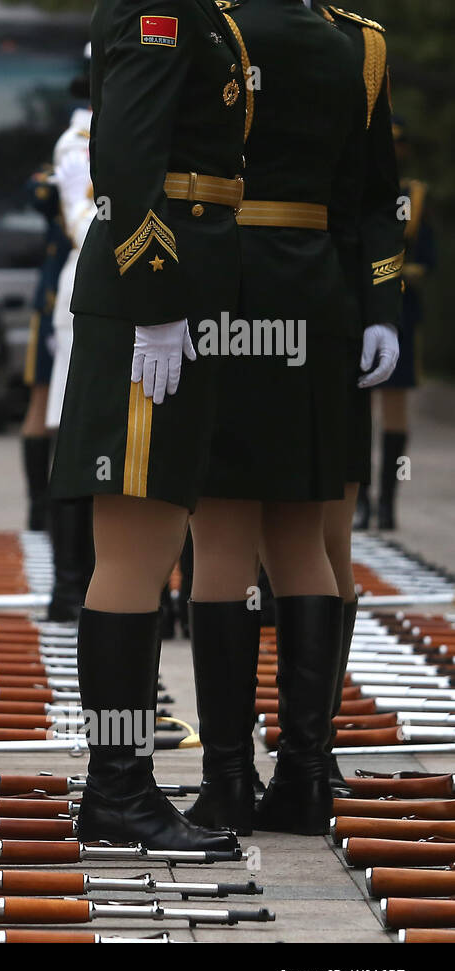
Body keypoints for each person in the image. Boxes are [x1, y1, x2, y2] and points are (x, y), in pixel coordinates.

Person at [184, 0, 396, 837]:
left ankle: (227, 781)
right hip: (318, 301)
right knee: (305, 542)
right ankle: (305, 778)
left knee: (223, 543)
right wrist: (380, 303)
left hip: (222, 291)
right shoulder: (360, 44)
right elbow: (376, 196)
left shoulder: (207, 28)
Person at [48, 0, 246, 851]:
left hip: (181, 288)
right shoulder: (156, 5)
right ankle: (119, 787)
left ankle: (122, 786)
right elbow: (126, 153)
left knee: (153, 542)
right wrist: (159, 292)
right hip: (148, 299)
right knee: (135, 550)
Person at [321, 3, 405, 792]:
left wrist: (383, 308)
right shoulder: (210, 27)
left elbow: (380, 195)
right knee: (225, 544)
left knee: (328, 540)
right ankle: (232, 755)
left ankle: (312, 746)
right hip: (230, 309)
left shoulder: (361, 44)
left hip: (334, 309)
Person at [354, 116, 434, 531]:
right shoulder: (358, 186)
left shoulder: (414, 196)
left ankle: (388, 500)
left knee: (396, 412)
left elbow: (428, 259)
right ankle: (362, 499)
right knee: (361, 411)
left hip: (403, 311)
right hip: (365, 306)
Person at [45, 44, 95, 623]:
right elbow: (84, 220)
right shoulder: (78, 141)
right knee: (77, 435)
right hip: (90, 290)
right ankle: (68, 584)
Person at [18, 168, 68, 533]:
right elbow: (38, 193)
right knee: (43, 400)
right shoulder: (72, 150)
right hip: (55, 303)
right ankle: (39, 505)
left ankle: (64, 507)